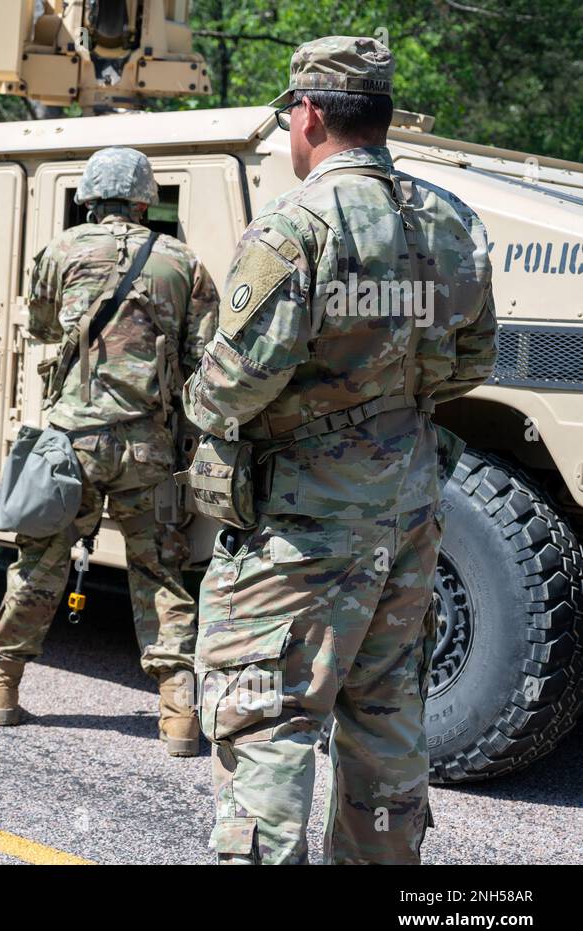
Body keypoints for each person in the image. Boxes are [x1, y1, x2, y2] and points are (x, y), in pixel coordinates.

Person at [182, 36, 498, 863]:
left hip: (302, 523)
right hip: (408, 516)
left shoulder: (295, 226)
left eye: (291, 114)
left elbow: (229, 388)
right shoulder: (450, 220)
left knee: (266, 713)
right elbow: (474, 360)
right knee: (387, 717)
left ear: (310, 114)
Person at [0, 146, 219, 754]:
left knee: (40, 563)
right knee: (160, 575)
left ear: (87, 196)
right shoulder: (181, 261)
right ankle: (179, 714)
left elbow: (37, 326)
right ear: (146, 200)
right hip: (148, 446)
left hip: (73, 446)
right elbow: (204, 354)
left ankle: (4, 688)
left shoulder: (62, 250)